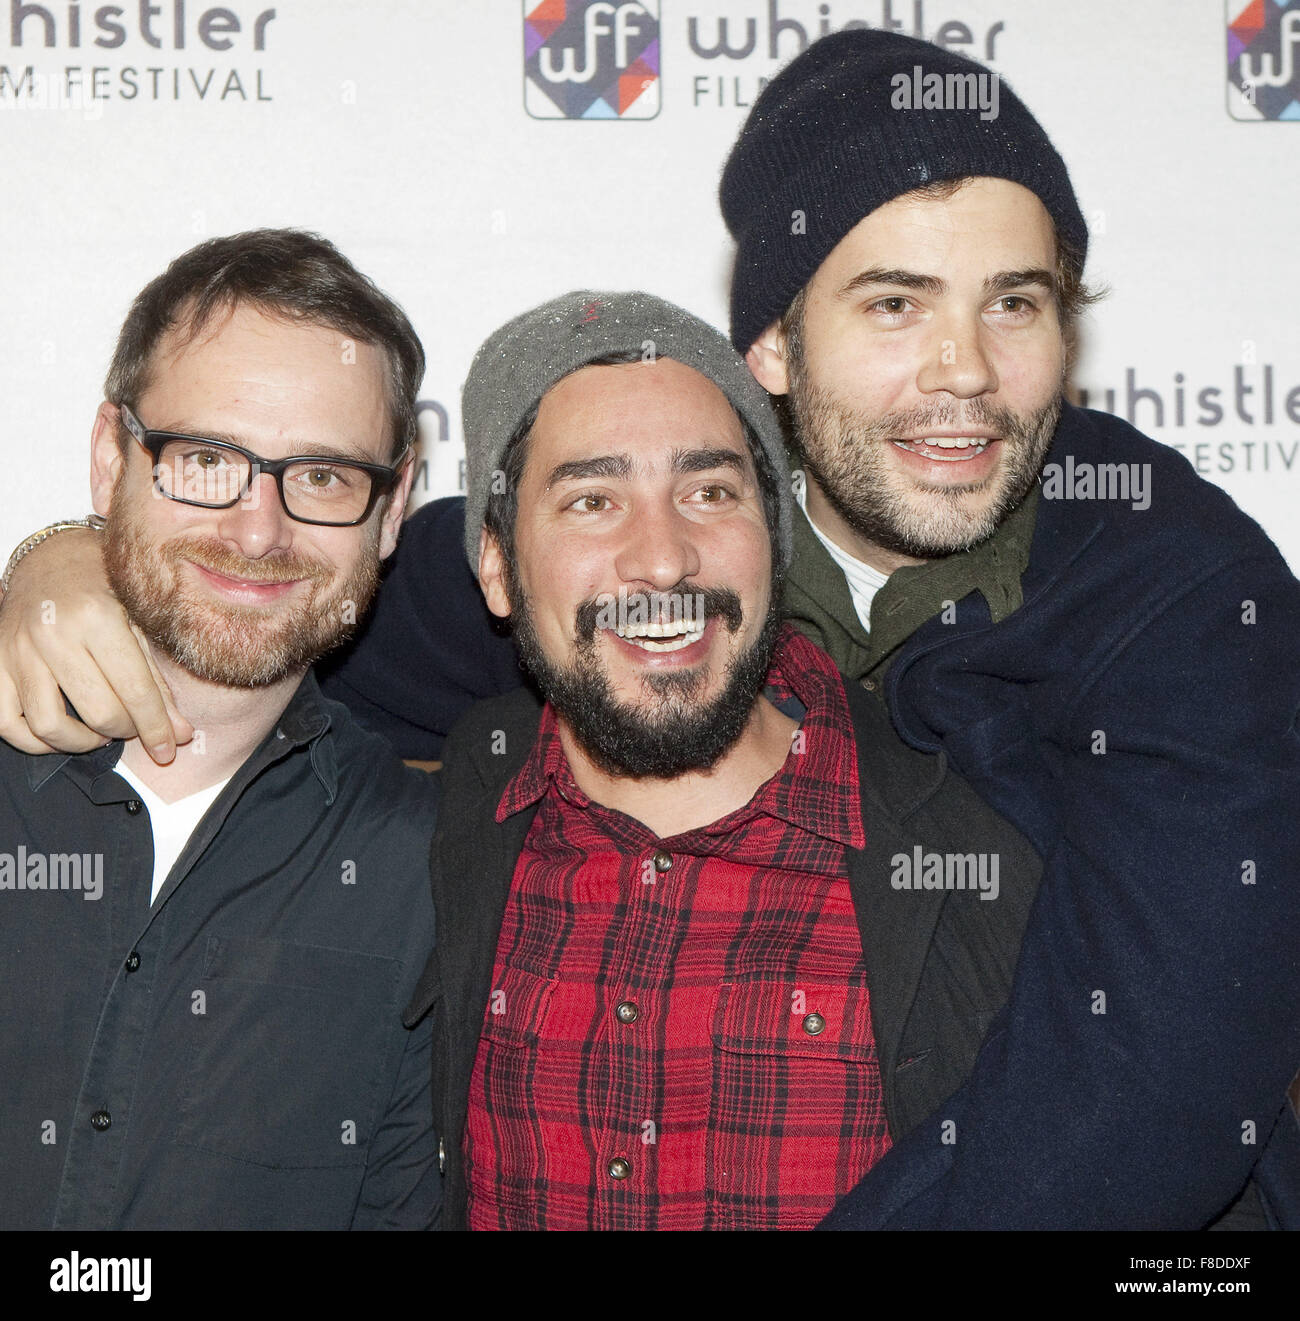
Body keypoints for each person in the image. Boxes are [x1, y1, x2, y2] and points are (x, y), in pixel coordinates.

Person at [2, 32, 1297, 1230]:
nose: (963, 366)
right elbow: (294, 567)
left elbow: (1145, 1099)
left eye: (1016, 303)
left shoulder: (1180, 594)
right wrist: (81, 557)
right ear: (778, 346)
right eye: (897, 304)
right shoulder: (661, 525)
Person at [403, 289, 1041, 1230]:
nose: (662, 560)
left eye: (709, 491)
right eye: (591, 499)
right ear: (497, 566)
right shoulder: (445, 822)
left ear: (774, 544)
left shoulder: (990, 855)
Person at [0, 229, 440, 1229]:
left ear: (392, 504)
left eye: (323, 475)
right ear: (114, 455)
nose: (257, 530)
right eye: (206, 459)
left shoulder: (427, 861)